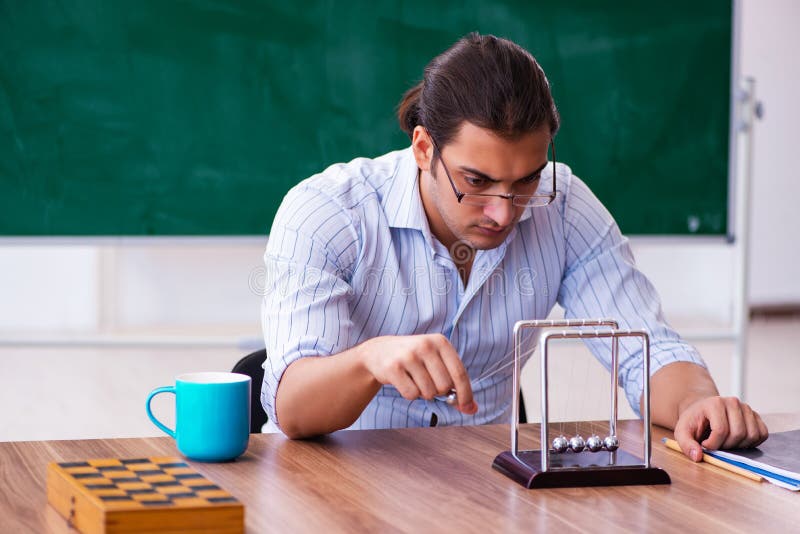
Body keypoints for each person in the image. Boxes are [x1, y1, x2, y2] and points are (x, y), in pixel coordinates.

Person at [260, 33, 768, 461]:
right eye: (475, 181)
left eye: (526, 180)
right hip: (336, 482)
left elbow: (645, 348)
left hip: (483, 485)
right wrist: (368, 360)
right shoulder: (327, 214)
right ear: (423, 148)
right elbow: (294, 409)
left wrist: (699, 404)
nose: (503, 213)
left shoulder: (564, 204)